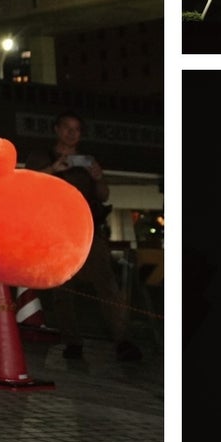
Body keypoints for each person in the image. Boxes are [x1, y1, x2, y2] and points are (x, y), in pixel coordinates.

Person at [36, 110, 142, 362]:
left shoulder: (87, 161)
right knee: (62, 290)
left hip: (89, 230)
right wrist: (54, 168)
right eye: (67, 128)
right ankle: (72, 342)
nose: (72, 133)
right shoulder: (42, 156)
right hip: (57, 233)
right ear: (56, 130)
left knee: (107, 284)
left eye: (77, 129)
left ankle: (122, 340)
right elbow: (32, 183)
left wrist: (98, 178)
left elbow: (103, 195)